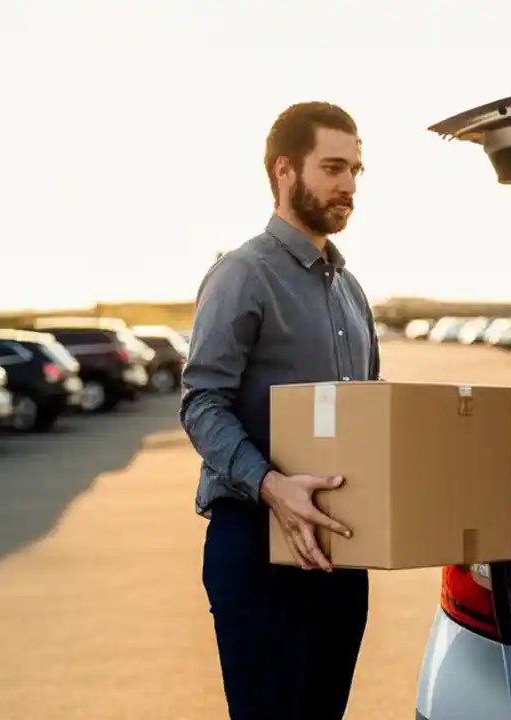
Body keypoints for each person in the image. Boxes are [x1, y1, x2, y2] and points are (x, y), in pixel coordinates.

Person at [179, 101, 380, 720]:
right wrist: (271, 486)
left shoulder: (351, 290)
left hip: (339, 553)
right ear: (285, 170)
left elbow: (367, 416)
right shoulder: (242, 275)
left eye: (356, 170)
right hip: (255, 545)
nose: (349, 185)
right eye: (334, 168)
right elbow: (202, 402)